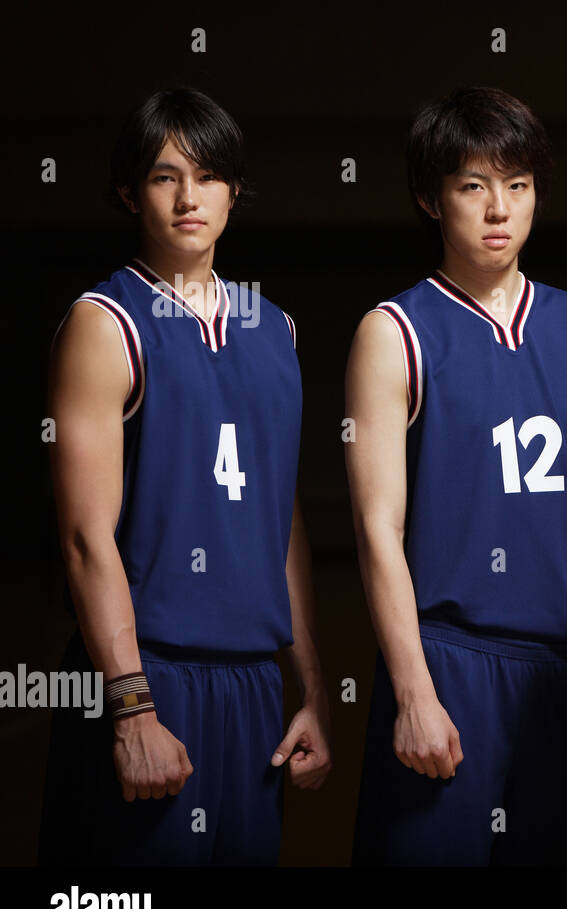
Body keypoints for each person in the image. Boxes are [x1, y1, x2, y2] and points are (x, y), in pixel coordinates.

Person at [40, 88, 331, 866]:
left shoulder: (277, 328)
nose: (189, 196)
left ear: (236, 190)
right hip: (152, 676)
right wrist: (131, 711)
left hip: (253, 690)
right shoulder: (106, 324)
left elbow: (282, 520)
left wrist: (313, 690)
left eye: (208, 175)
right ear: (132, 193)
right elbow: (82, 537)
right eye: (166, 177)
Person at [347, 87, 567, 865]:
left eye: (518, 184)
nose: (498, 208)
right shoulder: (394, 330)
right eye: (473, 186)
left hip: (557, 678)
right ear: (429, 198)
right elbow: (379, 529)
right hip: (447, 664)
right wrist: (412, 693)